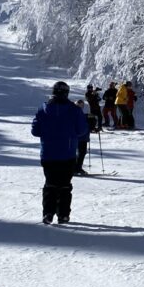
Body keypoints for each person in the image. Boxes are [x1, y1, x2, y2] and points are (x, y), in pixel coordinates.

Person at [31, 81, 89, 224]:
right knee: (64, 185)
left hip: (48, 154)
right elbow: (82, 130)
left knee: (50, 184)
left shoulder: (43, 109)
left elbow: (35, 131)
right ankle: (63, 215)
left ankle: (48, 213)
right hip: (67, 153)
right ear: (66, 93)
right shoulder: (74, 110)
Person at [75, 99, 91, 175]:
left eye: (82, 105)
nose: (81, 106)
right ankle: (76, 168)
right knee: (80, 152)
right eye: (80, 105)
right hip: (79, 136)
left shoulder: (82, 113)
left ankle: (78, 168)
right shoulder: (77, 113)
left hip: (83, 136)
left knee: (82, 152)